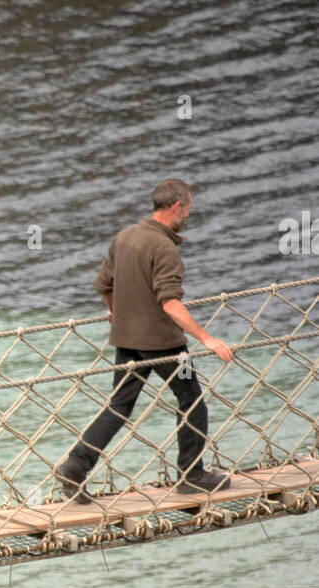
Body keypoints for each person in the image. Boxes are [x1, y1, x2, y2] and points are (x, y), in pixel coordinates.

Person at [55, 179, 234, 504]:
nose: (189, 214)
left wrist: (115, 311)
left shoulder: (125, 237)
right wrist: (207, 338)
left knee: (119, 406)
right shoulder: (164, 248)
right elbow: (170, 303)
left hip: (127, 342)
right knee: (192, 402)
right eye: (189, 207)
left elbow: (103, 284)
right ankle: (192, 476)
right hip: (167, 348)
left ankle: (75, 465)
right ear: (176, 207)